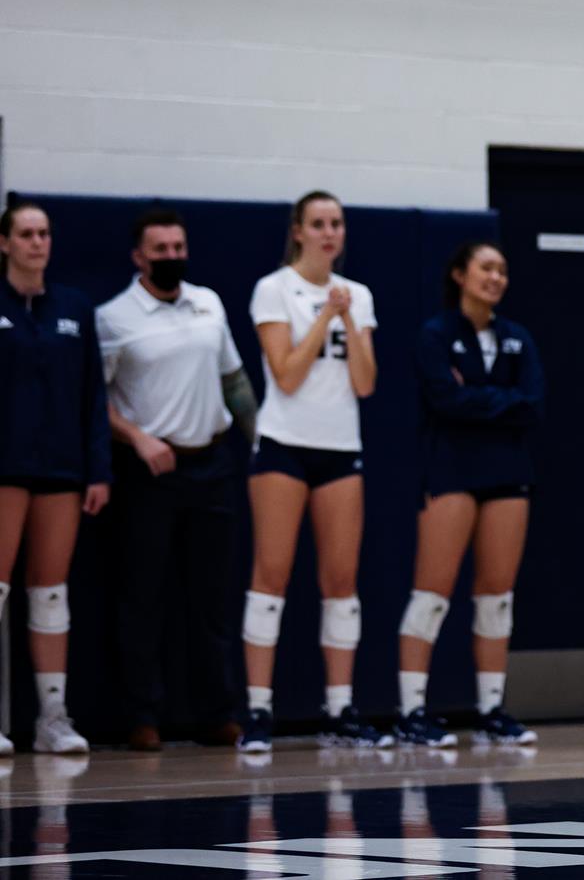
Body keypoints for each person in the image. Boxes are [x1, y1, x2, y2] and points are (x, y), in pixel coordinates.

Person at [97, 206, 259, 751]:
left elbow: (233, 378)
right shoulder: (114, 317)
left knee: (212, 597)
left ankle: (217, 712)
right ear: (138, 256)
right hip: (149, 470)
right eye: (160, 249)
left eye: (178, 247)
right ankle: (142, 715)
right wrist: (139, 439)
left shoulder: (208, 302)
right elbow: (93, 403)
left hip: (213, 463)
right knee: (143, 596)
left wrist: (259, 439)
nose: (171, 256)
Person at [239, 190, 383, 752]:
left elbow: (366, 383)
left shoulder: (360, 296)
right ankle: (257, 709)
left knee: (341, 581)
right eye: (319, 224)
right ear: (298, 231)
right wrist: (326, 314)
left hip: (340, 447)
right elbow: (287, 375)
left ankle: (340, 708)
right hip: (284, 444)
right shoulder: (274, 290)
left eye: (337, 223)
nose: (330, 233)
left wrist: (348, 316)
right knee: (270, 576)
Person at [394, 240, 546, 748]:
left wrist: (477, 398)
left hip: (507, 472)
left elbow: (532, 403)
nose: (495, 277)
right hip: (451, 470)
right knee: (431, 594)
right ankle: (412, 709)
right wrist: (496, 401)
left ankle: (491, 709)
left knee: (496, 598)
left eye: (502, 269)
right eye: (486, 267)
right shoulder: (435, 334)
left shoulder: (518, 337)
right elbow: (444, 399)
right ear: (460, 274)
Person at [0, 200, 112, 755]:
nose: (37, 243)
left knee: (49, 594)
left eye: (43, 233)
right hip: (5, 468)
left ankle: (52, 718)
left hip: (63, 468)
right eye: (25, 234)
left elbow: (95, 395)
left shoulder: (74, 307)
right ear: (5, 243)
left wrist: (99, 468)